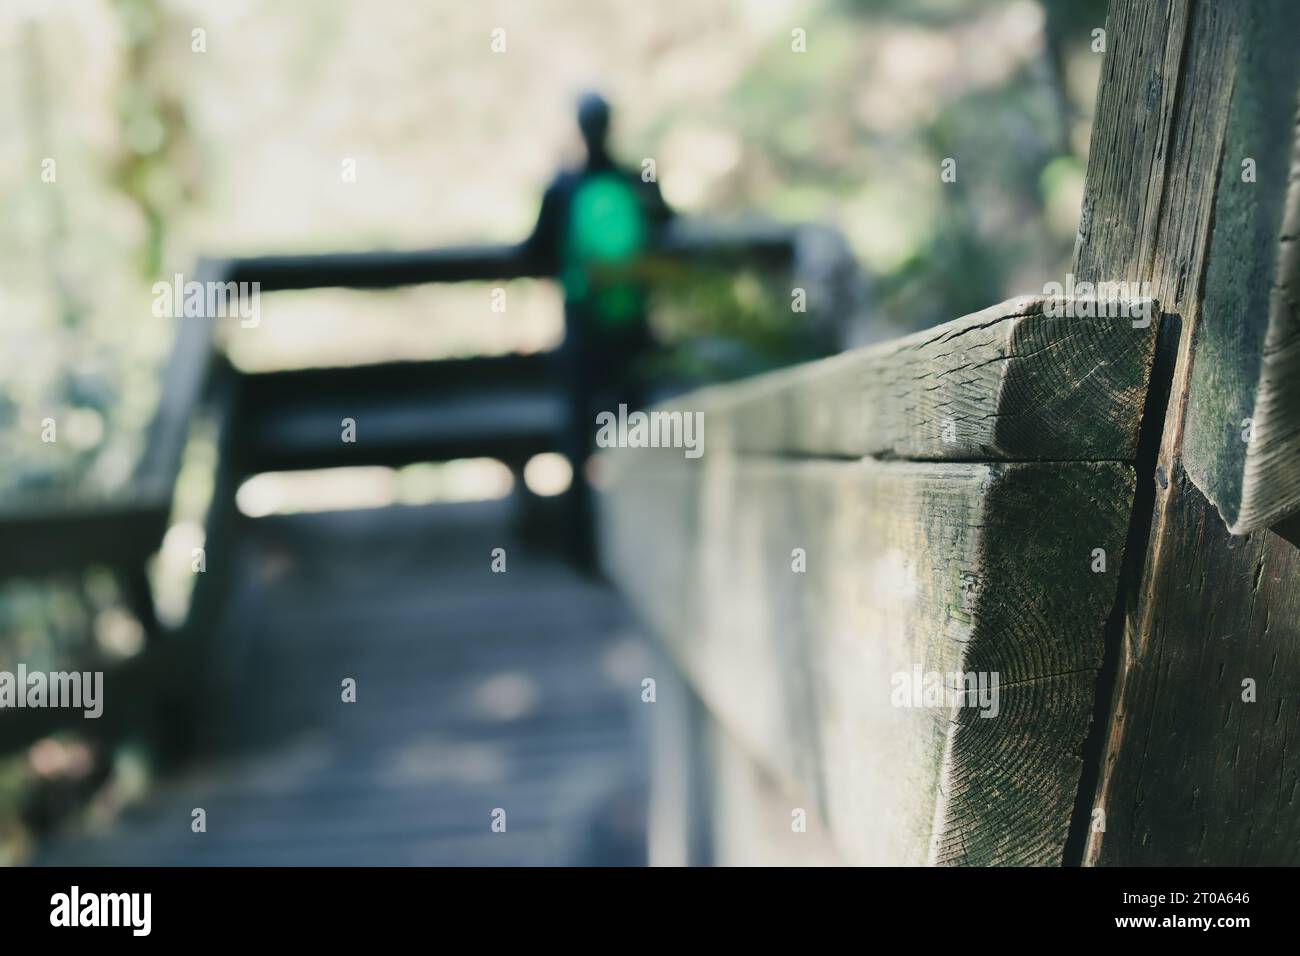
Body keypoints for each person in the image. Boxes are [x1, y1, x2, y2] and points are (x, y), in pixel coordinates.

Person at [519, 93, 674, 567]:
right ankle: (645, 549)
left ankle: (581, 551)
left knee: (578, 441)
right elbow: (668, 223)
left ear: (579, 128)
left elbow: (533, 251)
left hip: (583, 334)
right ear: (611, 126)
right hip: (633, 334)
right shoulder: (635, 179)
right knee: (639, 439)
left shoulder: (563, 188)